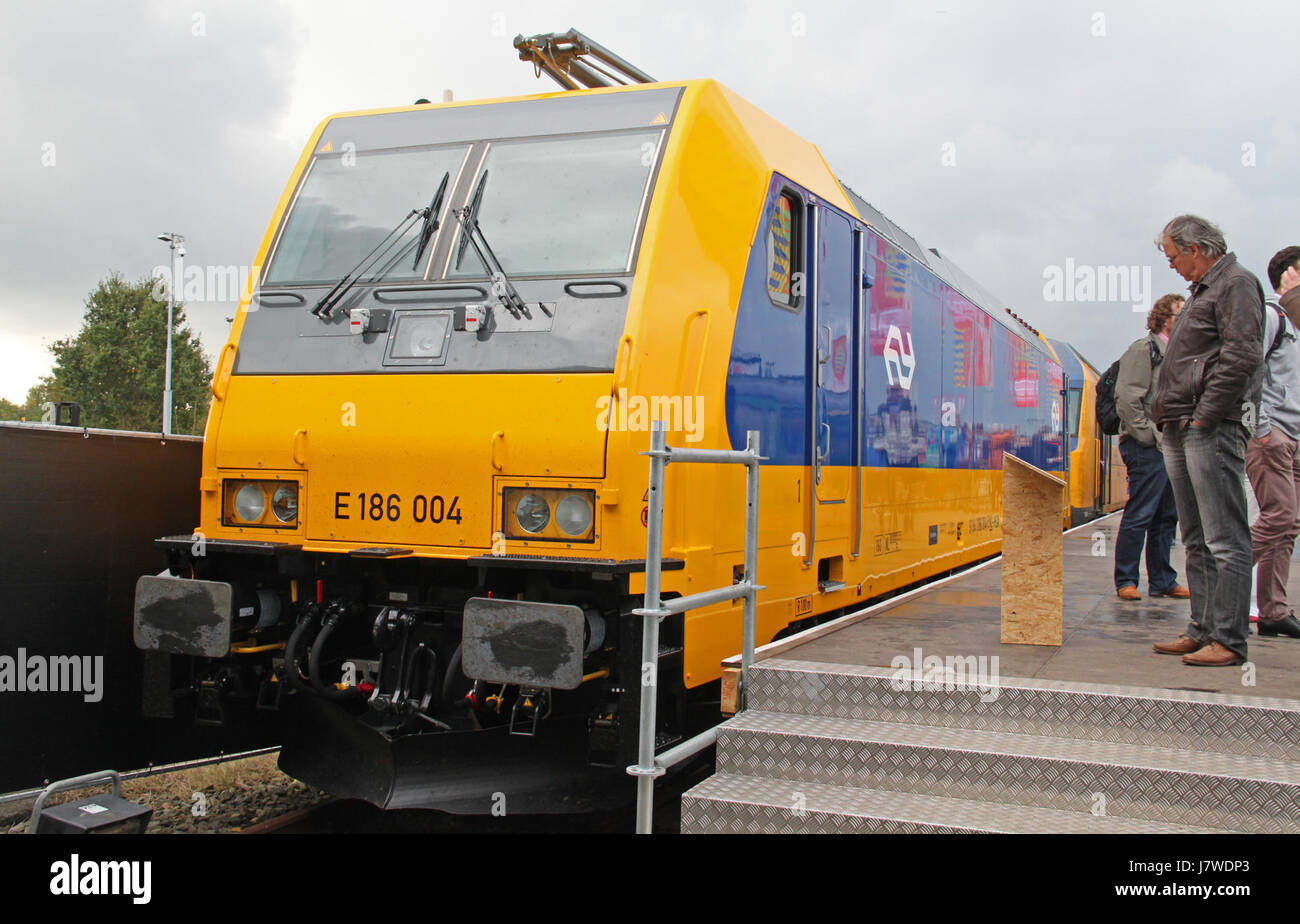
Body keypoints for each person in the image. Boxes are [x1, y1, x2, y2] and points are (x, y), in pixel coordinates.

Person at [1150, 215, 1266, 666]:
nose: (1173, 266)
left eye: (1173, 256)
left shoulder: (1236, 283)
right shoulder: (1204, 291)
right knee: (1195, 538)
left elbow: (1241, 356)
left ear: (1195, 249)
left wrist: (1205, 416)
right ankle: (1202, 629)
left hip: (1209, 427)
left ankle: (1230, 640)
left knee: (1225, 538)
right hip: (1180, 425)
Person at [1113, 294, 1189, 601]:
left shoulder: (1178, 353)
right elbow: (1127, 398)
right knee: (1141, 513)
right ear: (1164, 318)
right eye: (1179, 315)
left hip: (1172, 447)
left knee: (1167, 516)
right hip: (1147, 446)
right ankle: (1126, 580)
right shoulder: (1143, 350)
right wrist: (1149, 437)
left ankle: (1162, 580)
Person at [1249, 247, 1300, 639]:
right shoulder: (1270, 316)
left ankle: (1273, 611)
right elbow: (1246, 373)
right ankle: (1220, 580)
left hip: (1294, 438)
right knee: (1279, 515)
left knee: (1288, 525)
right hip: (1273, 435)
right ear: (1291, 272)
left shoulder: (1296, 324)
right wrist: (1262, 429)